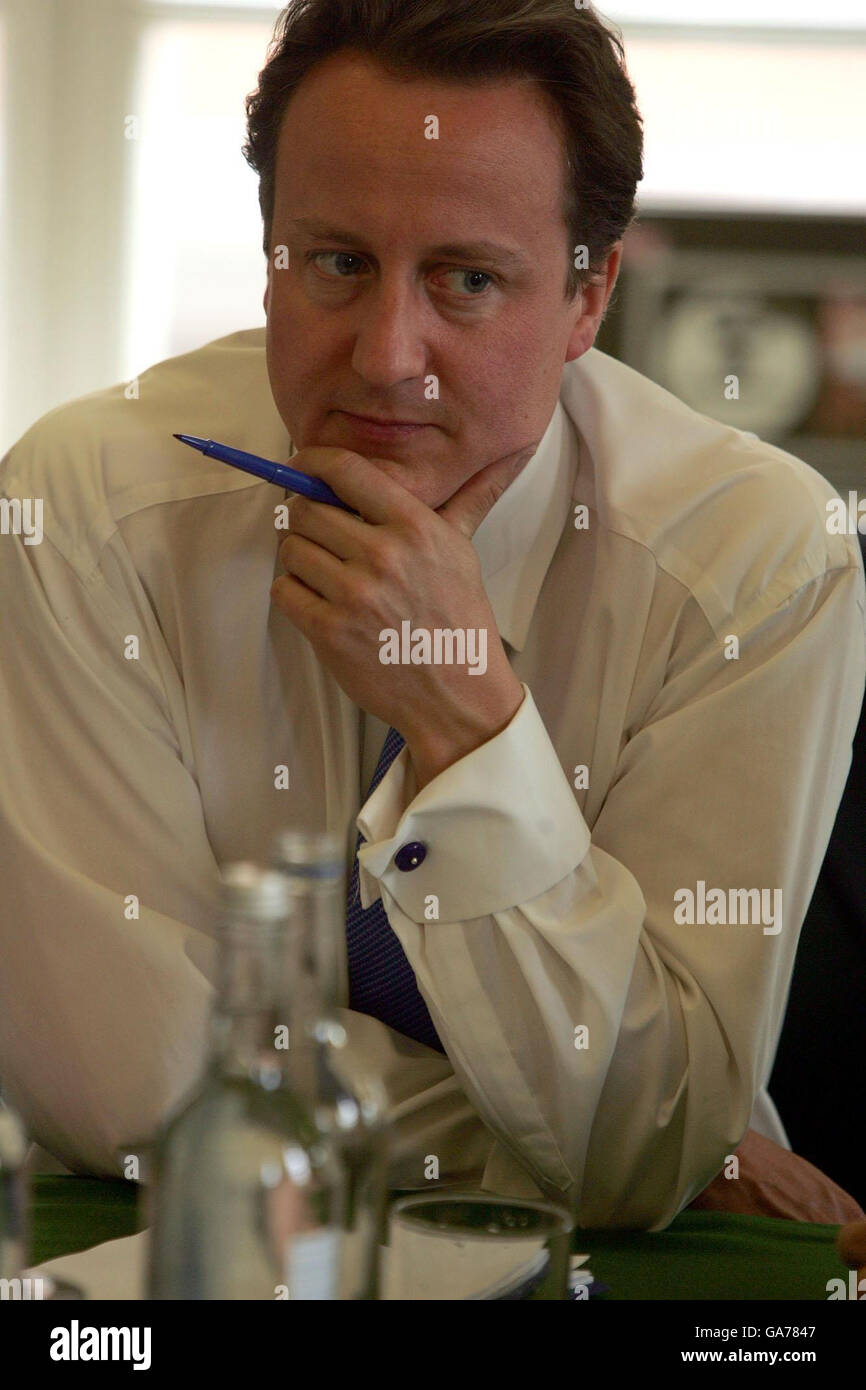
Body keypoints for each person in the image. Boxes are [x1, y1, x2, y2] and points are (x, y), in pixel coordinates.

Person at [0, 0, 863, 1231]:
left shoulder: (753, 562)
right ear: (269, 259)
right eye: (338, 264)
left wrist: (462, 718)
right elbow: (118, 1070)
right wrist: (579, 1158)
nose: (386, 357)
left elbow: (651, 1123)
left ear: (587, 297)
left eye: (465, 280)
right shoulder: (75, 508)